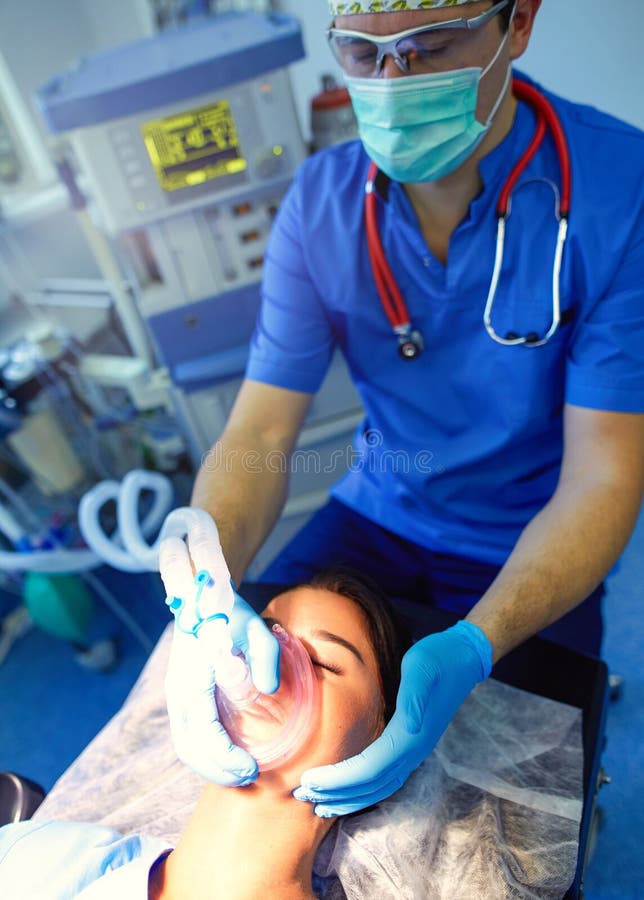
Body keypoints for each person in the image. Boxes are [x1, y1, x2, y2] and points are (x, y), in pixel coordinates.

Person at [169, 0, 644, 818]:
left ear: (518, 22)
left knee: (536, 802)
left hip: (529, 534)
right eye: (363, 53)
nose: (394, 81)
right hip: (378, 509)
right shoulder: (320, 207)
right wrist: (206, 579)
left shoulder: (617, 191)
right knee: (244, 688)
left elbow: (603, 476)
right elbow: (259, 434)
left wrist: (478, 641)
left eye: (429, 46)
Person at [0, 570, 411, 900]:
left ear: (383, 741)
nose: (273, 660)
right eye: (262, 634)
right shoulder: (32, 857)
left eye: (322, 662)